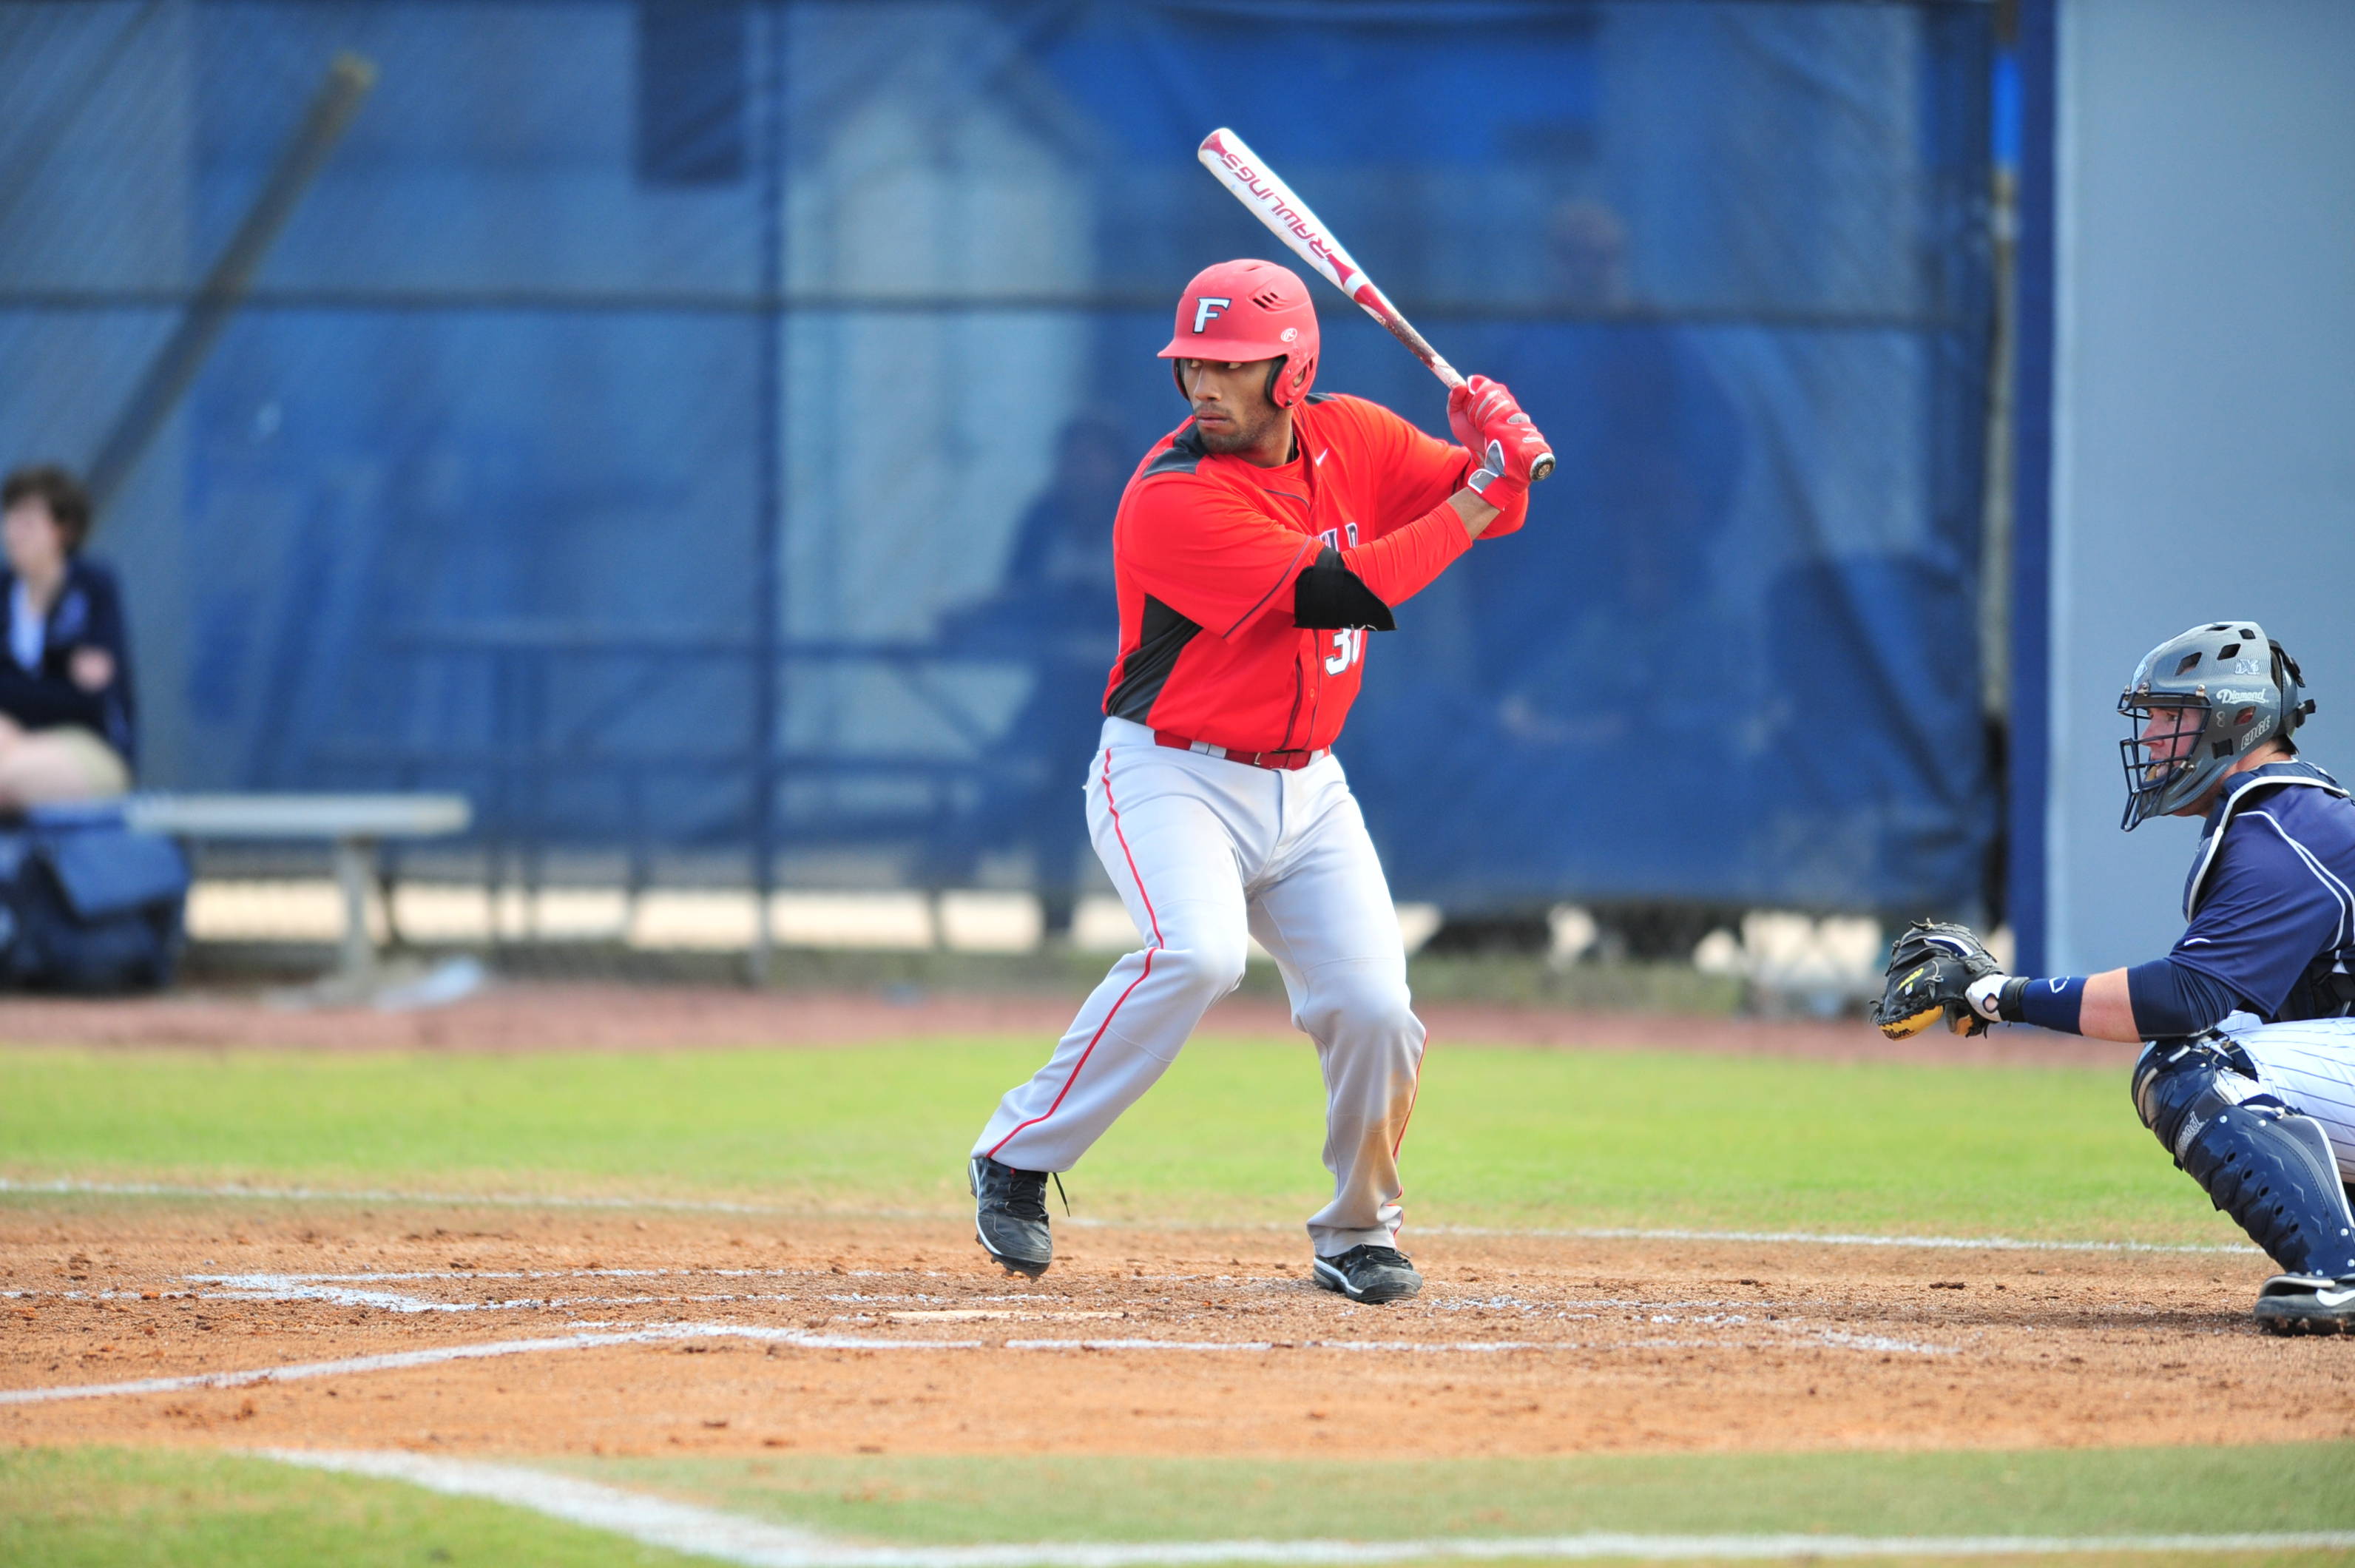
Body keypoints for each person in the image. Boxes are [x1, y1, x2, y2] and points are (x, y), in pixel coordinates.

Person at [965, 258, 1552, 1302]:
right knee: (1196, 955)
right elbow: (1350, 589)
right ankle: (1018, 1153)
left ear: (1294, 368)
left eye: (1232, 365)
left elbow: (1494, 510)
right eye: (1193, 361)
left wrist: (1491, 442)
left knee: (1376, 1007)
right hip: (1170, 773)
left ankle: (1358, 1231)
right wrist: (1481, 489)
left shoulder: (1357, 437)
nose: (1204, 384)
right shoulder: (1170, 497)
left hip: (1309, 789)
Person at [1870, 620, 2355, 1335]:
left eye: (2174, 716)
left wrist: (1996, 994)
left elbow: (2179, 998)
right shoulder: (2288, 814)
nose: (2154, 737)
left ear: (2241, 721)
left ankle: (2339, 1270)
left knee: (2192, 1062)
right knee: (2234, 1036)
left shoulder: (2282, 828)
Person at [932, 416, 1129, 940]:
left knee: (1067, 787)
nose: (1080, 470)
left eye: (1092, 458)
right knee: (1024, 771)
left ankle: (986, 862)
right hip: (1059, 692)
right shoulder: (1044, 518)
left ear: (1115, 466)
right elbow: (1017, 596)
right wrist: (972, 618)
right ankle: (963, 854)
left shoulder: (1141, 514)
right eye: (1071, 458)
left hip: (1131, 703)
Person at [0, 465, 137, 808]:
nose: (14, 533)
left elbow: (91, 697)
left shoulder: (93, 588)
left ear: (64, 530)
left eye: (28, 522)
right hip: (8, 739)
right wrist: (61, 676)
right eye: (11, 519)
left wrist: (17, 694)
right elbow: (72, 686)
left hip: (85, 745)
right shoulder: (3, 591)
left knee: (8, 777)